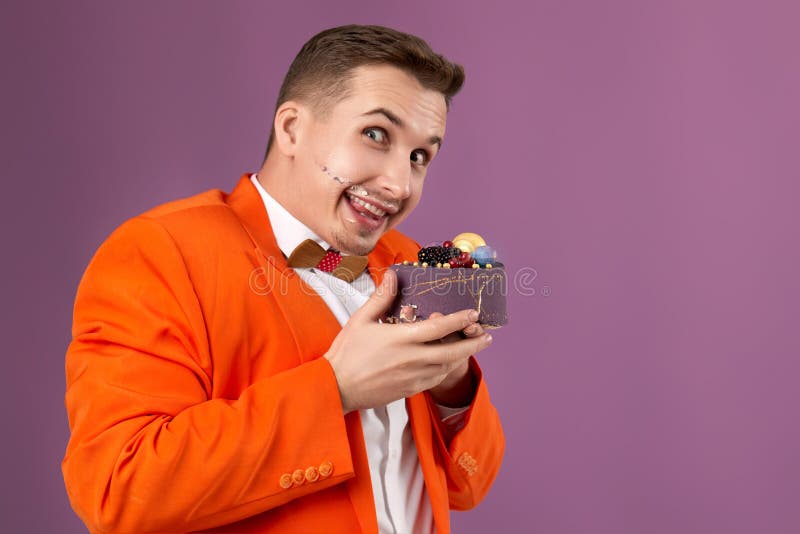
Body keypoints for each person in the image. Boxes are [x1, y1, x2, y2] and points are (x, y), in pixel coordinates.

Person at [62, 24, 504, 533]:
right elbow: (118, 490)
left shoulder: (406, 261)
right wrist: (334, 390)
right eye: (376, 134)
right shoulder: (160, 252)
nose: (400, 184)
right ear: (292, 129)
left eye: (419, 156)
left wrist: (450, 382)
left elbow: (469, 486)